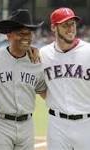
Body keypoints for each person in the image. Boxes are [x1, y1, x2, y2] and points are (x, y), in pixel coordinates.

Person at [0, 9, 46, 150]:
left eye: (29, 33)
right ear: (8, 35)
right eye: (20, 33)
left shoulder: (37, 62)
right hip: (0, 124)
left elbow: (43, 92)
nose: (26, 37)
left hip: (27, 124)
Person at [40, 7, 90, 150]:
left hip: (86, 122)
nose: (70, 29)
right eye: (65, 25)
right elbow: (40, 88)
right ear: (53, 27)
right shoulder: (44, 54)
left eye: (72, 24)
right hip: (57, 124)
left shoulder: (88, 51)